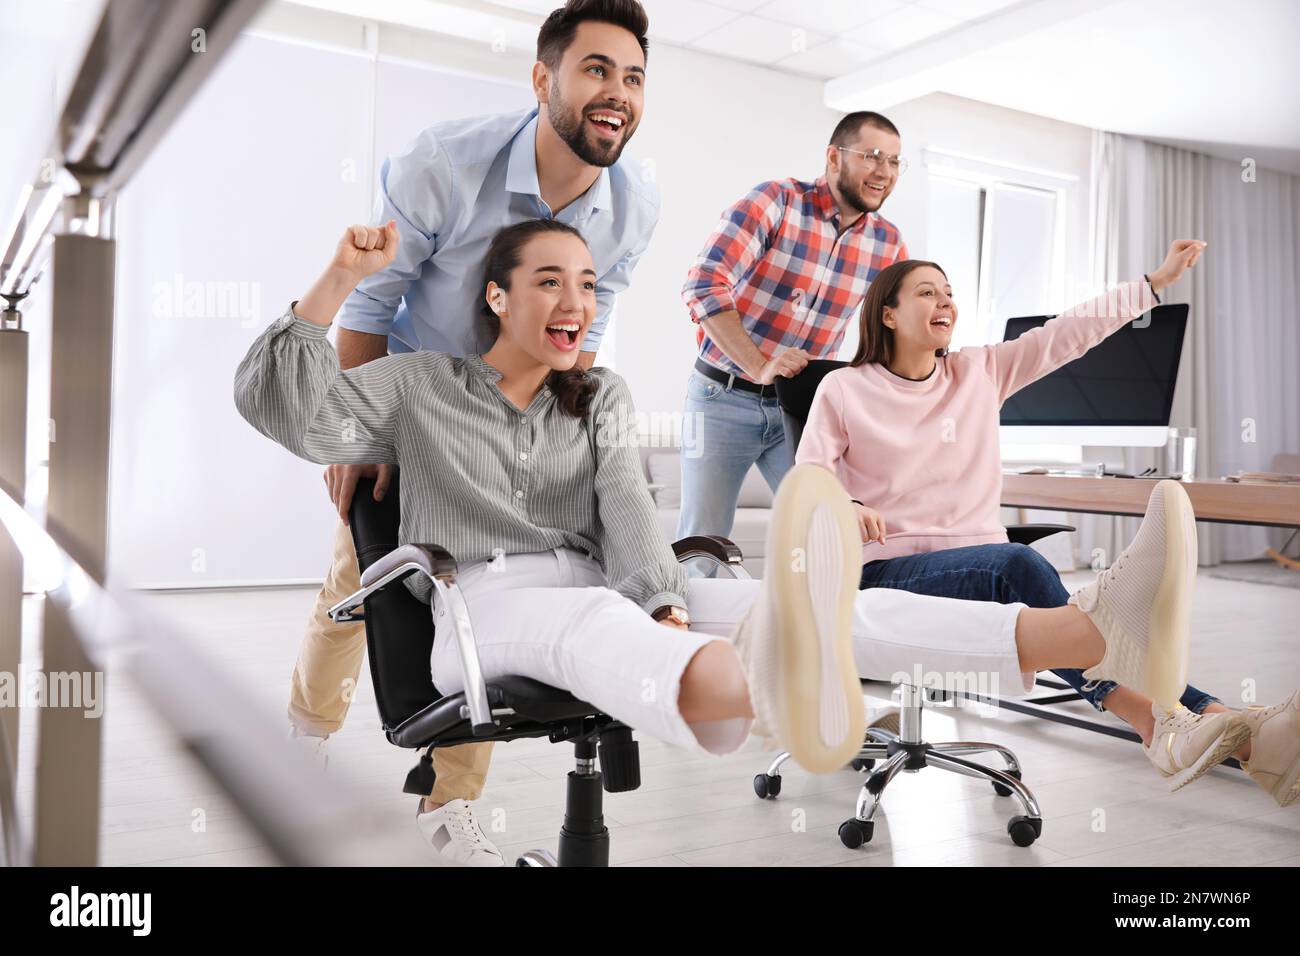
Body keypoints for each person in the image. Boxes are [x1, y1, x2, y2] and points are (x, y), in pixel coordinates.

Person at [235, 220, 1299, 870]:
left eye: (588, 282)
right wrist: (334, 283)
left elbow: (624, 502)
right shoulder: (419, 385)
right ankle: (782, 681)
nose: (575, 299)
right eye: (549, 280)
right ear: (498, 297)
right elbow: (282, 407)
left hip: (609, 575)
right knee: (622, 619)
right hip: (489, 604)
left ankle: (1092, 627)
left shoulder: (598, 391)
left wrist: (665, 589)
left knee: (815, 609)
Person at [282, 0, 659, 864]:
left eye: (634, 77)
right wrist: (360, 440)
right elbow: (374, 303)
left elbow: (585, 336)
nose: (617, 93)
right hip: (417, 409)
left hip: (521, 426)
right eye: (596, 69)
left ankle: (448, 807)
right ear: (543, 78)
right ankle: (305, 735)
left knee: (490, 609)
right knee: (361, 590)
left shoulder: (635, 205)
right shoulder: (446, 164)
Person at [796, 244, 1300, 804]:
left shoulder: (979, 372)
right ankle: (1156, 723)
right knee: (1020, 566)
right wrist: (844, 506)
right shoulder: (844, 389)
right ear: (887, 313)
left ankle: (1223, 725)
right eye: (926, 292)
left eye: (949, 293)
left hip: (981, 569)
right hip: (887, 571)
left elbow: (1068, 333)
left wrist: (1154, 282)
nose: (944, 302)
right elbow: (808, 481)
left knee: (1056, 602)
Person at [675, 111, 909, 565]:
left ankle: (805, 632)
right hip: (722, 398)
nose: (884, 171)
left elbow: (891, 333)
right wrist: (759, 362)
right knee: (703, 546)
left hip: (800, 409)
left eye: (896, 162)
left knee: (827, 531)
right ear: (834, 157)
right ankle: (679, 633)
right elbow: (704, 284)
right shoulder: (776, 202)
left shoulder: (889, 244)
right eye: (873, 156)